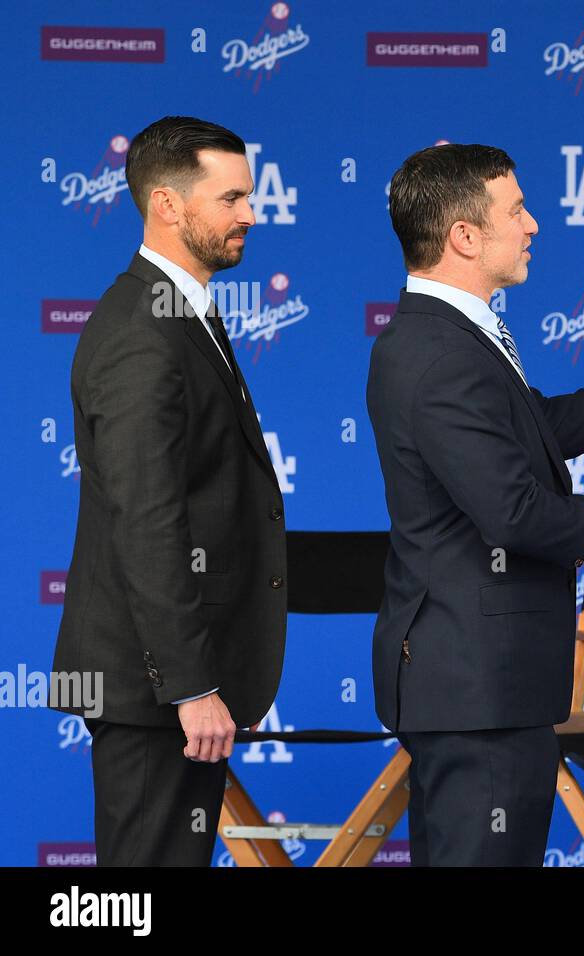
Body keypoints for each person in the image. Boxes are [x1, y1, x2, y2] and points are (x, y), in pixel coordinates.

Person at [368, 143, 584, 866]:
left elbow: (545, 427)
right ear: (465, 237)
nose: (534, 224)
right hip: (480, 689)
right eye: (516, 210)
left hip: (479, 686)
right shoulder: (442, 353)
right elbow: (512, 511)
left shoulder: (447, 338)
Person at [51, 116, 285, 866]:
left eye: (249, 196)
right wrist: (189, 687)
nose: (252, 213)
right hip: (151, 690)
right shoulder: (142, 330)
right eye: (232, 198)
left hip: (162, 685)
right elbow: (147, 519)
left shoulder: (177, 312)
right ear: (167, 205)